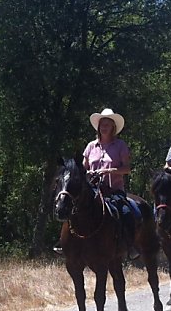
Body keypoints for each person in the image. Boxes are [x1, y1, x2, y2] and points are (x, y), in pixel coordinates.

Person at [55, 107, 140, 259]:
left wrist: (111, 171)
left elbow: (127, 168)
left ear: (113, 127)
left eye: (107, 124)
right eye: (102, 124)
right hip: (92, 189)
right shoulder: (90, 146)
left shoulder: (120, 145)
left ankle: (129, 244)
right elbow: (82, 168)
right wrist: (88, 173)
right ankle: (64, 242)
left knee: (126, 211)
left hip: (113, 190)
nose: (104, 127)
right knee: (71, 207)